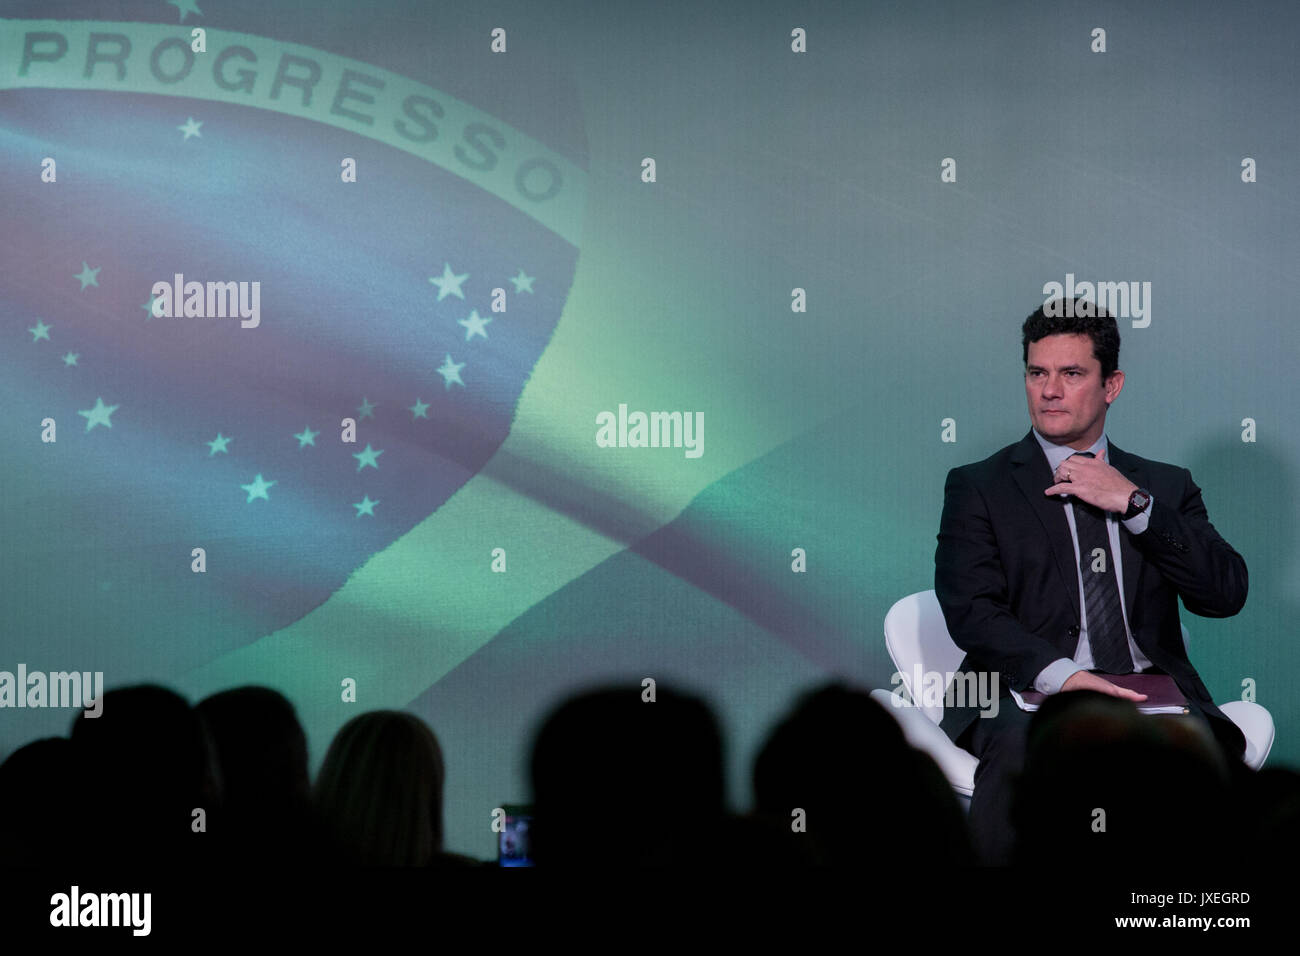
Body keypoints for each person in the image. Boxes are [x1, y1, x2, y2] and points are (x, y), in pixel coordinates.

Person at [933, 297, 1249, 864]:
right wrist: (1065, 677)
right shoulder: (979, 485)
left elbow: (1224, 594)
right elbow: (971, 611)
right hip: (1016, 688)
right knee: (1023, 752)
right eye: (1037, 373)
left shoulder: (1163, 487)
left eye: (1071, 374)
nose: (1049, 390)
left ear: (1112, 385)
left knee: (1205, 762)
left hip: (1146, 687)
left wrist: (1133, 503)